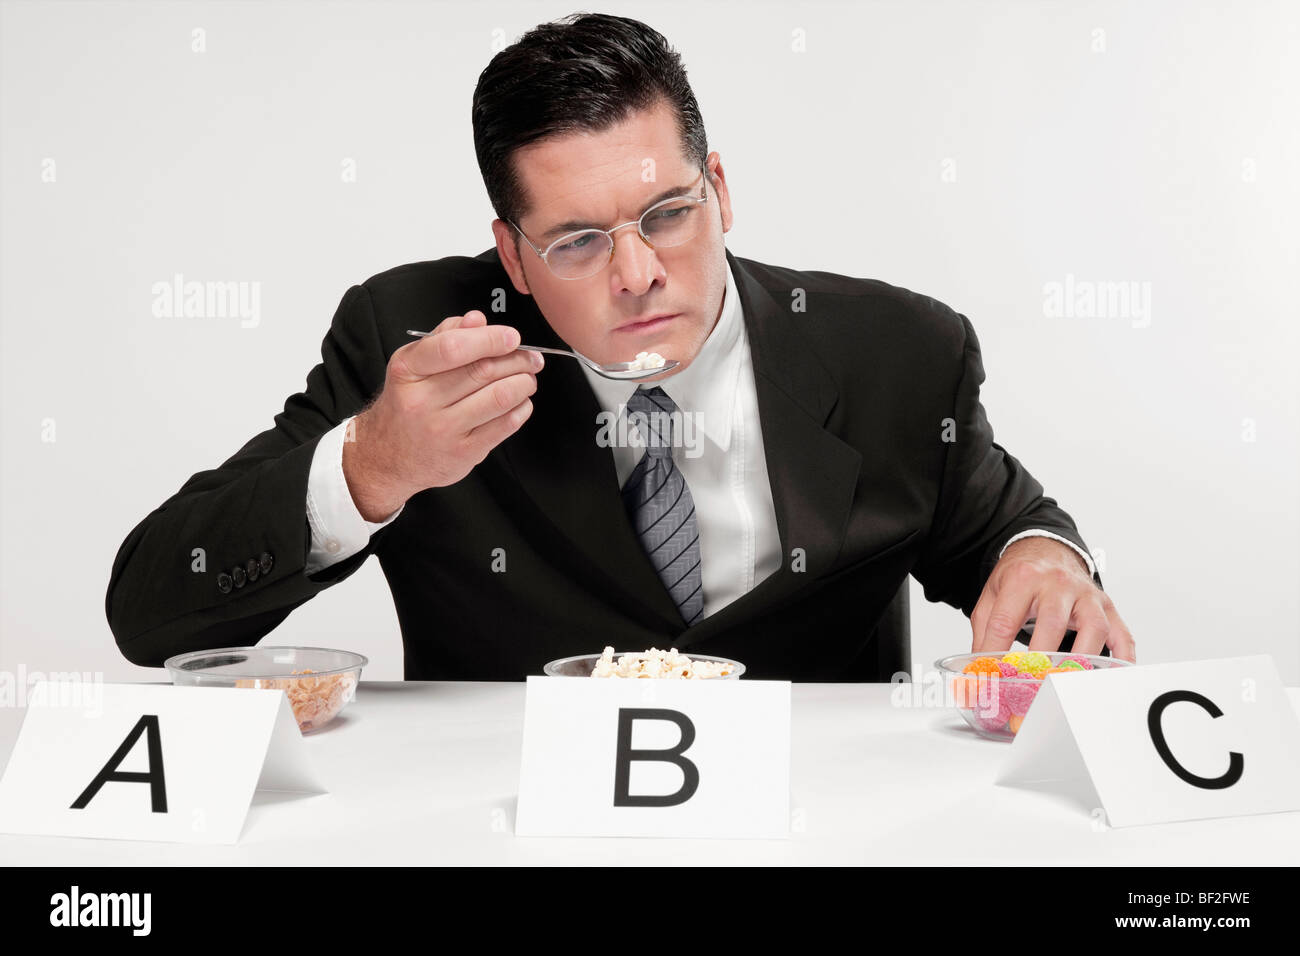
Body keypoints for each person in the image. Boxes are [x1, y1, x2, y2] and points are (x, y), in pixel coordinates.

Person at [106, 13, 1135, 680]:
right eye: (579, 240)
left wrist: (1043, 559)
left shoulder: (896, 350)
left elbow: (1011, 533)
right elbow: (152, 610)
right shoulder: (409, 340)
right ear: (510, 253)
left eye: (670, 213)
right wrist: (369, 466)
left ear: (720, 189)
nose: (636, 270)